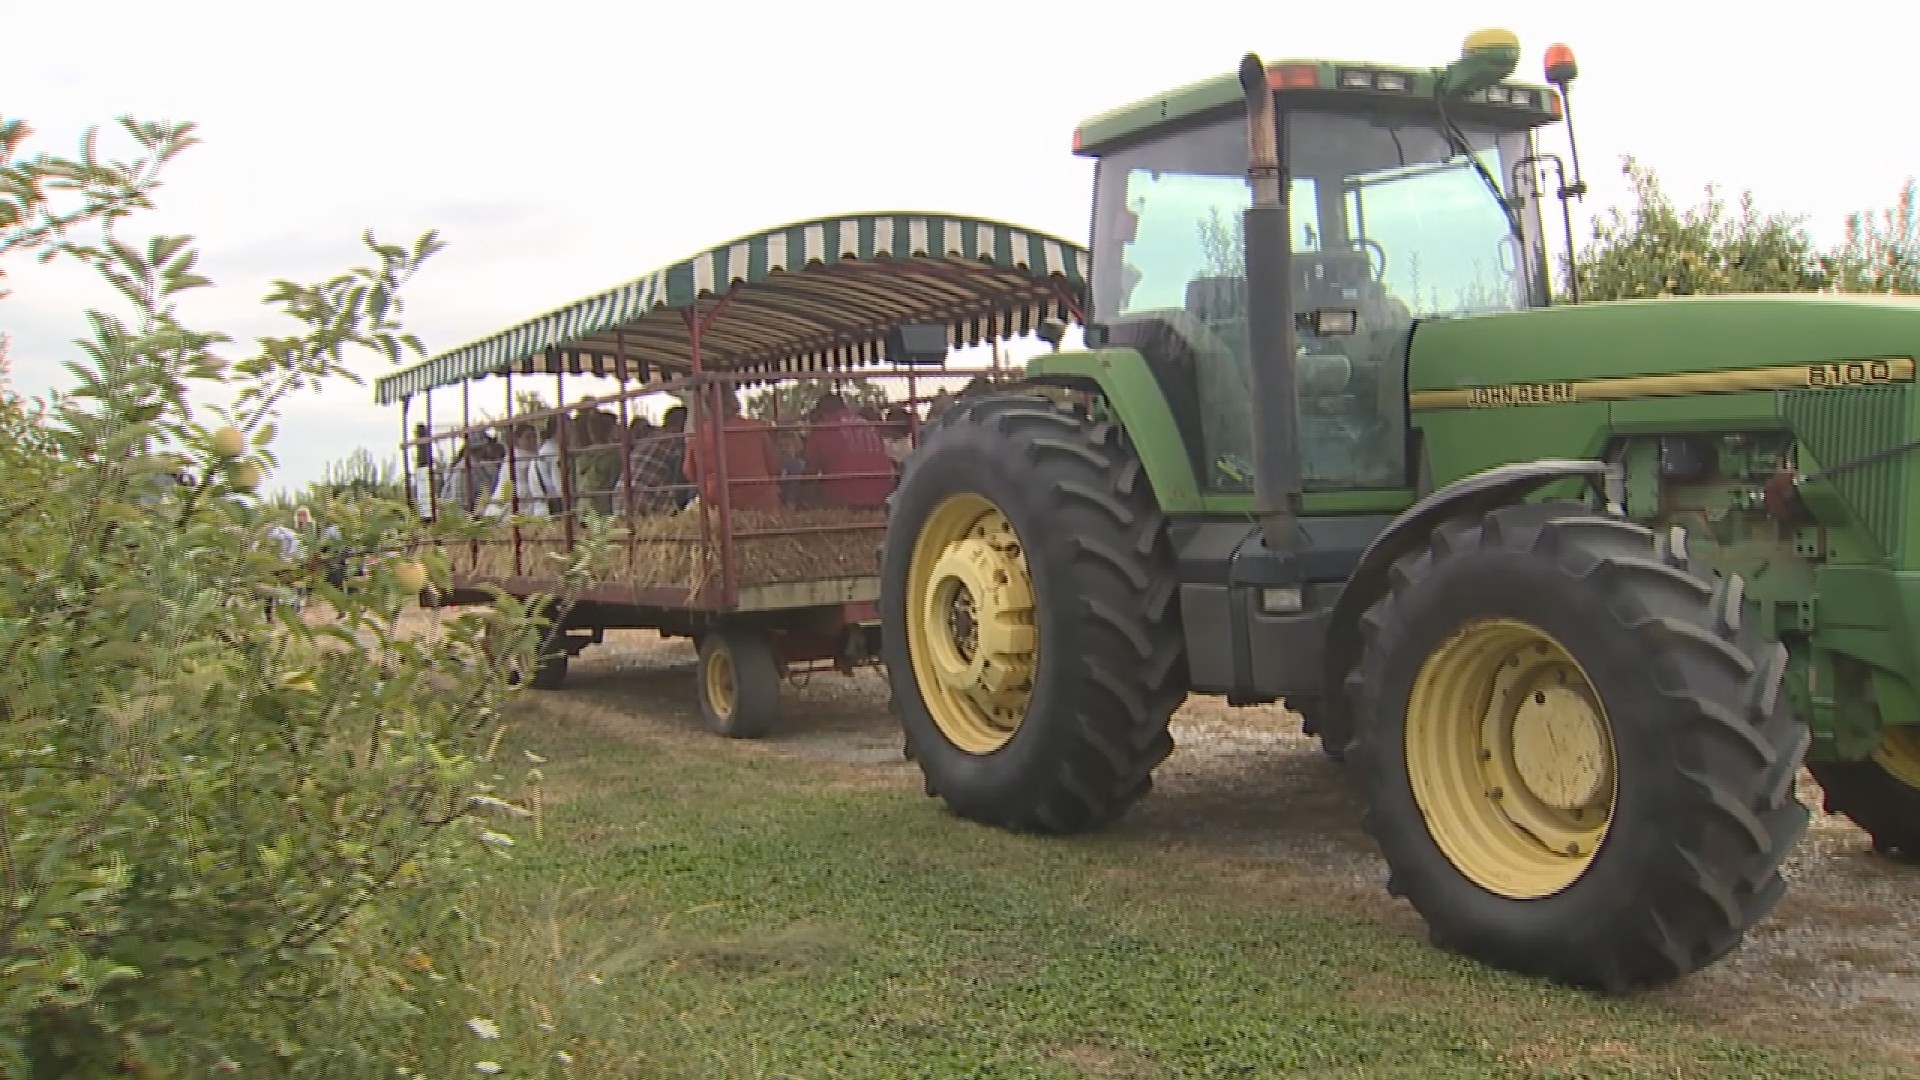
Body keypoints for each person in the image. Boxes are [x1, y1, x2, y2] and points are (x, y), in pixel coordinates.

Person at [683, 390, 782, 513]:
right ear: (735, 403)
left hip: (719, 504)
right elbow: (773, 466)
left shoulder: (699, 435)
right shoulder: (756, 428)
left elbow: (689, 473)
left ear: (708, 406)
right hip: (762, 501)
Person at [802, 391, 895, 509]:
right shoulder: (868, 424)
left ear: (823, 413)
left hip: (846, 494)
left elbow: (809, 472)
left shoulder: (823, 428)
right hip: (882, 493)